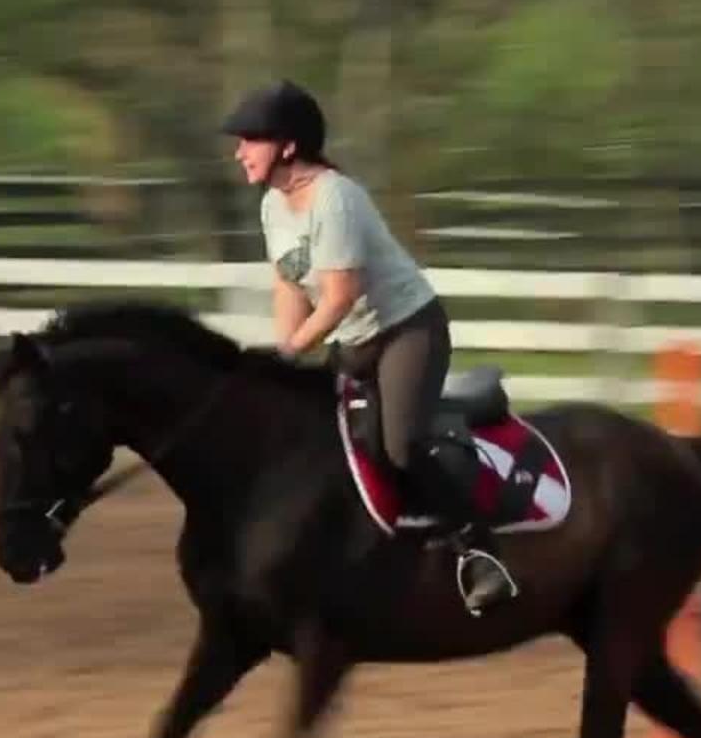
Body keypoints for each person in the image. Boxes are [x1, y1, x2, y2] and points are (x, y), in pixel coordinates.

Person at [220, 78, 518, 613]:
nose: (238, 151)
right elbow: (290, 283)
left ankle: (479, 551)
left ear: (288, 145)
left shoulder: (335, 198)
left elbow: (338, 296)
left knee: (399, 443)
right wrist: (282, 346)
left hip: (408, 331)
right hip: (353, 340)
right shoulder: (273, 205)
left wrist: (288, 354)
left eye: (250, 139)